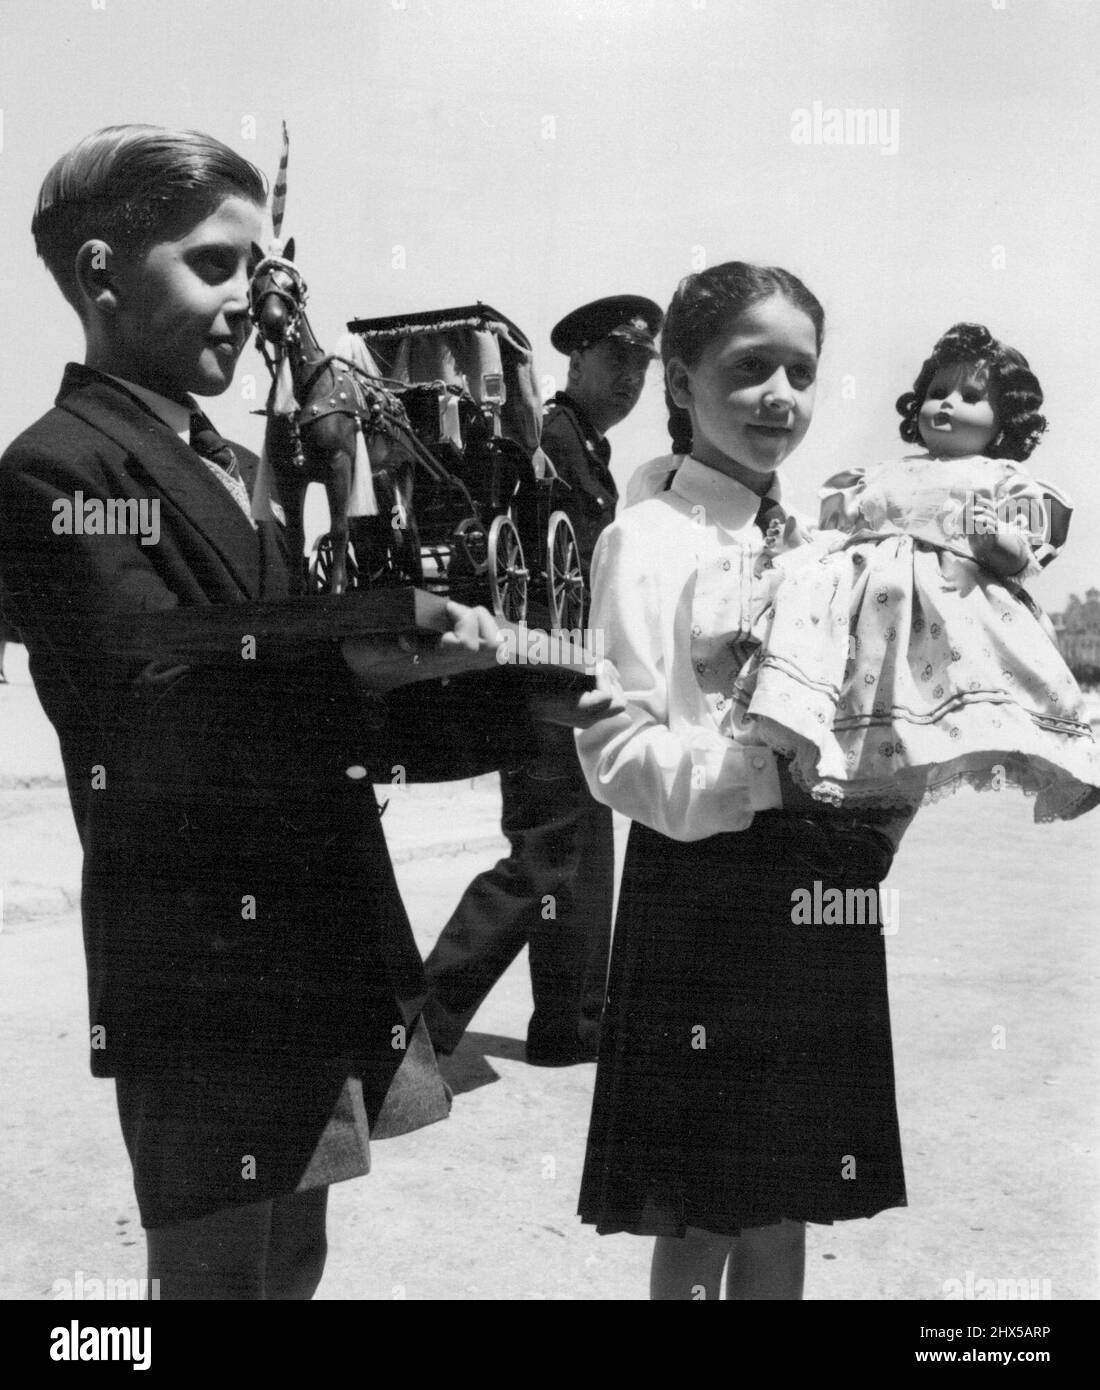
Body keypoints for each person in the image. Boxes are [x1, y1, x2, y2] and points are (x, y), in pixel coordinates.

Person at [0, 125, 621, 1300]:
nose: (249, 302)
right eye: (215, 265)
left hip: (312, 920)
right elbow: (151, 703)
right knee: (215, 1274)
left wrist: (531, 696)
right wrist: (359, 656)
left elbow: (333, 710)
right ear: (99, 272)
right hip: (196, 948)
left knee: (294, 1256)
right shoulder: (56, 472)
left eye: (261, 271)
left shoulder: (232, 471)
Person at [574, 262, 915, 1299]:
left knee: (784, 1192)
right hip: (705, 898)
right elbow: (615, 753)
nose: (778, 395)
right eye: (747, 367)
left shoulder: (819, 546)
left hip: (812, 890)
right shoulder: (646, 538)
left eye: (799, 372)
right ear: (679, 380)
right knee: (702, 1202)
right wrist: (765, 774)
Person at [701, 321, 1100, 819]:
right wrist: (798, 543)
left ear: (1004, 423)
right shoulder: (881, 475)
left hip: (945, 610)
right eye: (937, 392)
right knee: (850, 683)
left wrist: (990, 538)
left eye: (970, 396)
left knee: (946, 700)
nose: (948, 403)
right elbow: (839, 537)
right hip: (867, 605)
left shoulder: (998, 478)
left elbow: (1021, 556)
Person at [423, 295, 662, 1066]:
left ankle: (572, 1025)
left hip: (575, 680)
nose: (630, 378)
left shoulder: (585, 448)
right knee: (543, 859)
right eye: (617, 359)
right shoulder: (546, 437)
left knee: (584, 855)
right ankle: (412, 1029)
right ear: (577, 358)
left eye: (641, 365)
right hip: (537, 680)